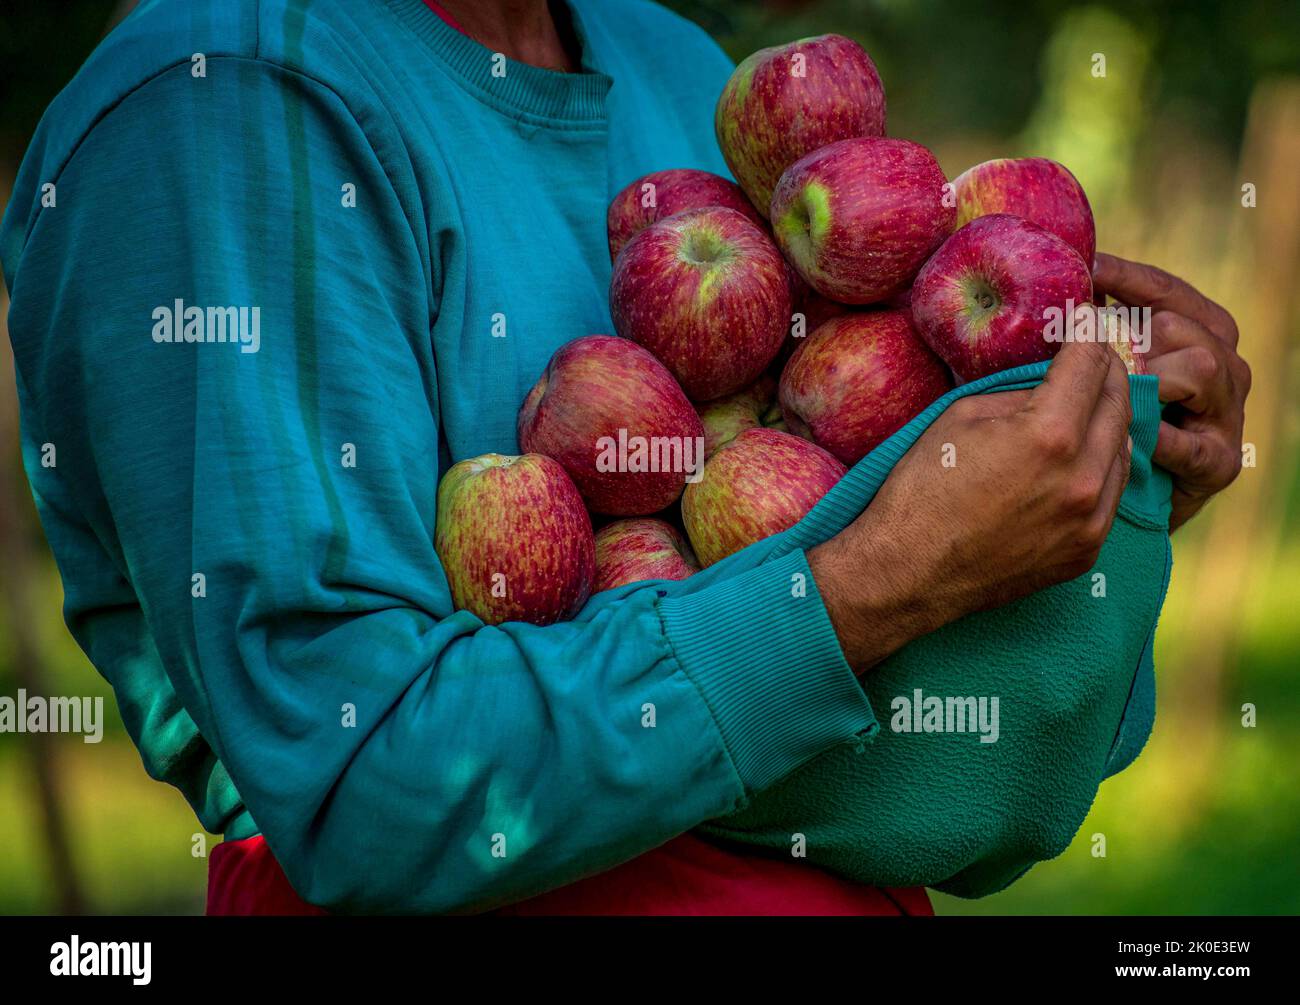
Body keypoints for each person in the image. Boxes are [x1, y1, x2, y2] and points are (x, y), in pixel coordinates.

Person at [0, 0, 1249, 916]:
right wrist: (882, 576)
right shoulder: (218, 117)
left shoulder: (674, 69)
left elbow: (949, 777)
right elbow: (360, 783)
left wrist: (1099, 487)